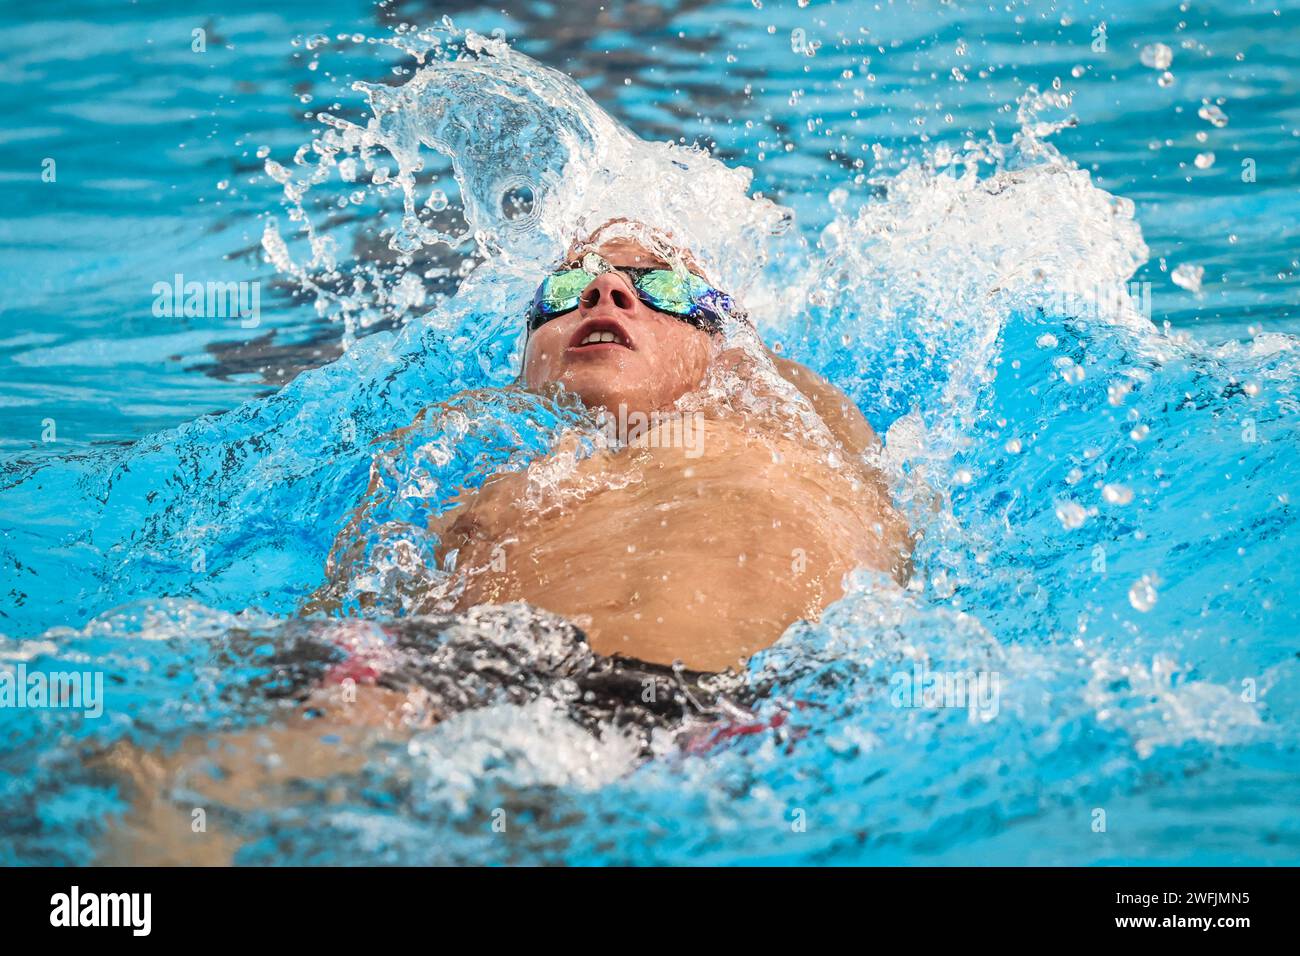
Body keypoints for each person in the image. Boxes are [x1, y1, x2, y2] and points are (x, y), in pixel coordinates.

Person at [319, 219, 912, 672]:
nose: (603, 289)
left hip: (712, 703)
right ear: (527, 362)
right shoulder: (463, 468)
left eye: (664, 284)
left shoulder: (781, 420)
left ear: (727, 343)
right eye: (568, 284)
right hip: (464, 681)